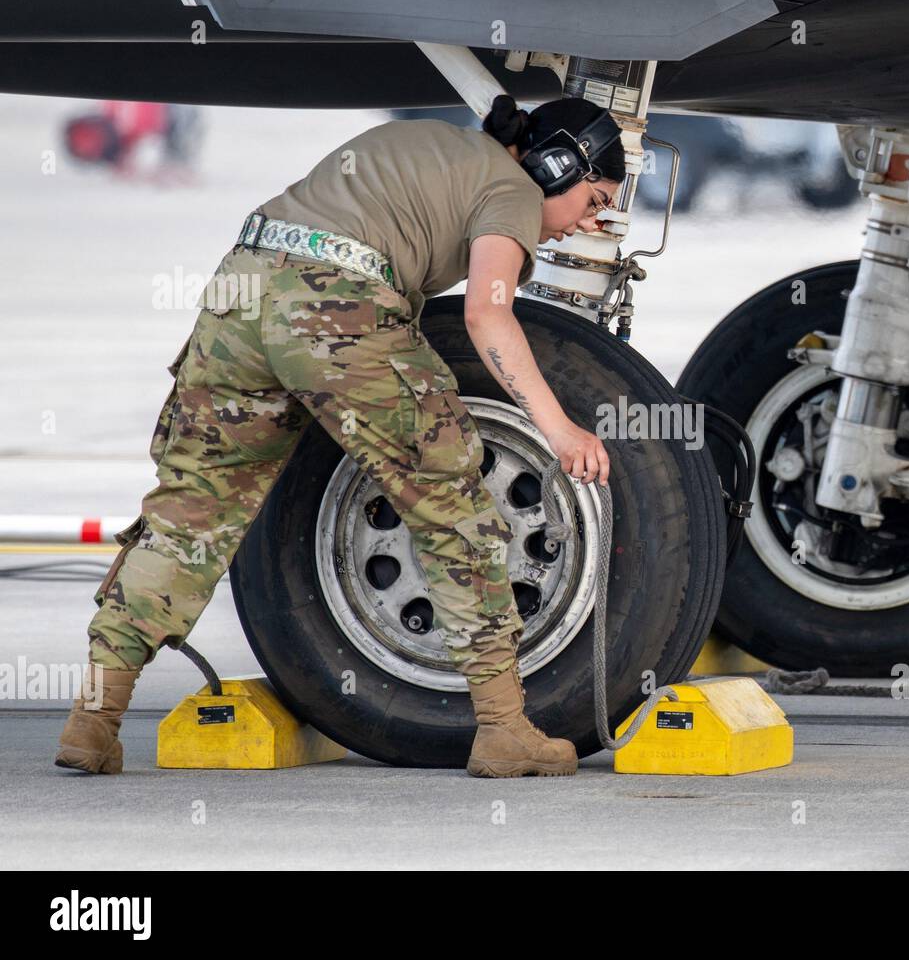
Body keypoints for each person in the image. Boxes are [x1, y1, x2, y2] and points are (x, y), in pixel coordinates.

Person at [55, 95, 622, 778]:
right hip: (336, 303)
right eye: (594, 199)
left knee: (190, 509)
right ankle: (504, 728)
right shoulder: (512, 191)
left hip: (241, 290)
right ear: (558, 165)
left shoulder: (436, 146)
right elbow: (487, 315)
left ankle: (93, 720)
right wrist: (558, 428)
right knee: (450, 503)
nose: (587, 223)